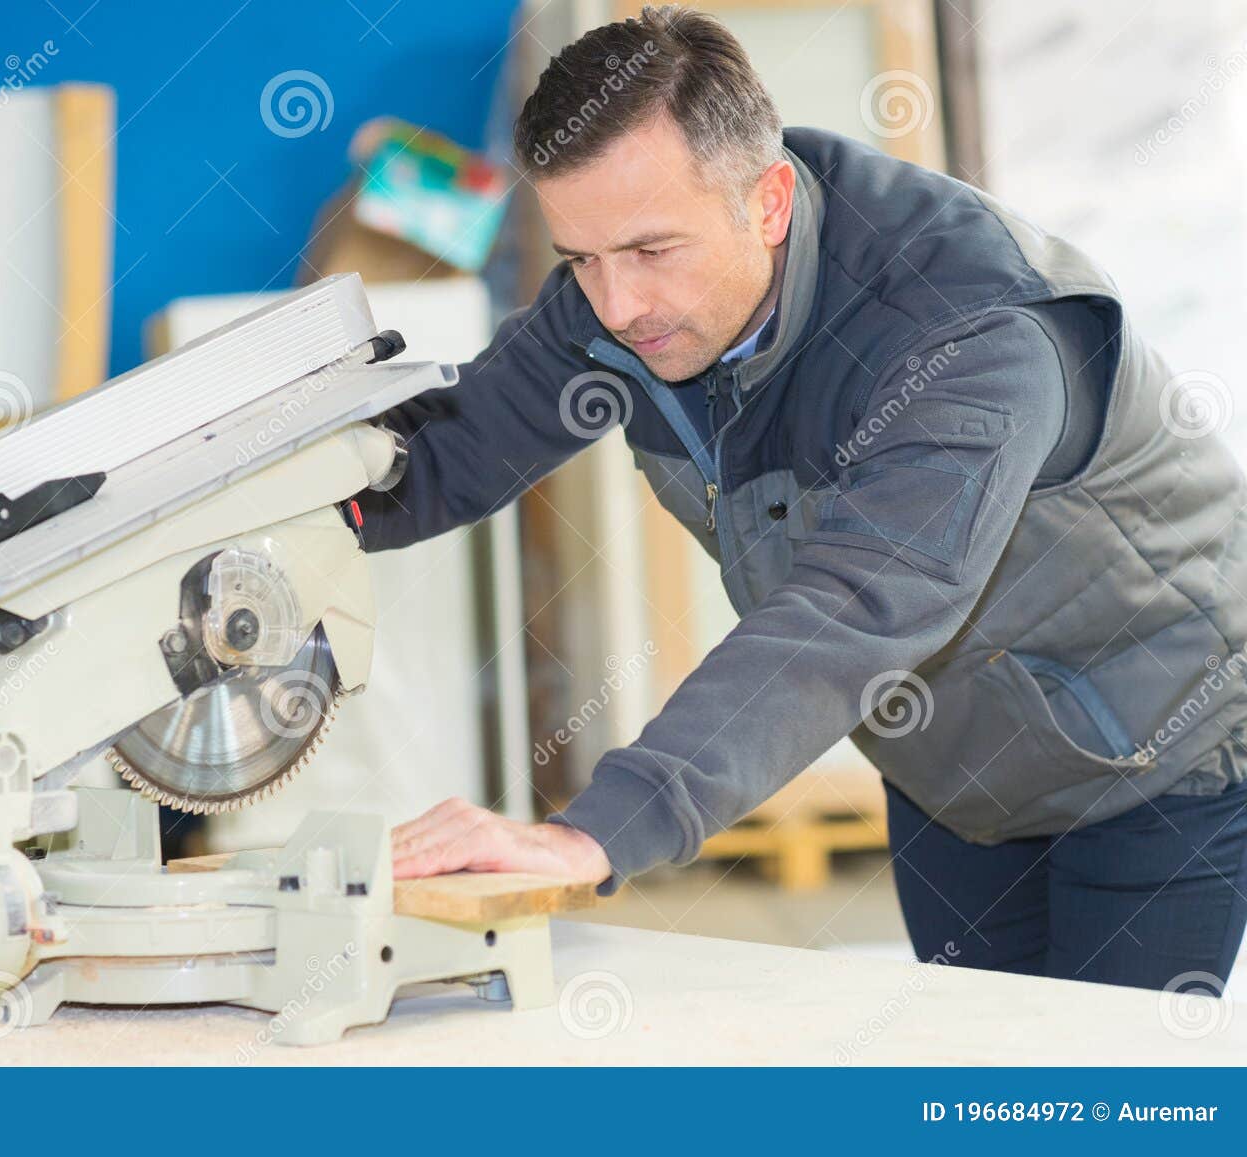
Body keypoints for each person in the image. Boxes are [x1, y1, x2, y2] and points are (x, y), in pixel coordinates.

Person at [370, 6, 1247, 991]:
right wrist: (275, 502)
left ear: (770, 202)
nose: (614, 305)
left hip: (1153, 751)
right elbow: (448, 451)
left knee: (1098, 1106)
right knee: (983, 1079)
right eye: (581, 257)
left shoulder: (967, 335)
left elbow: (850, 609)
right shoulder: (629, 300)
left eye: (651, 252)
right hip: (951, 768)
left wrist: (593, 832)